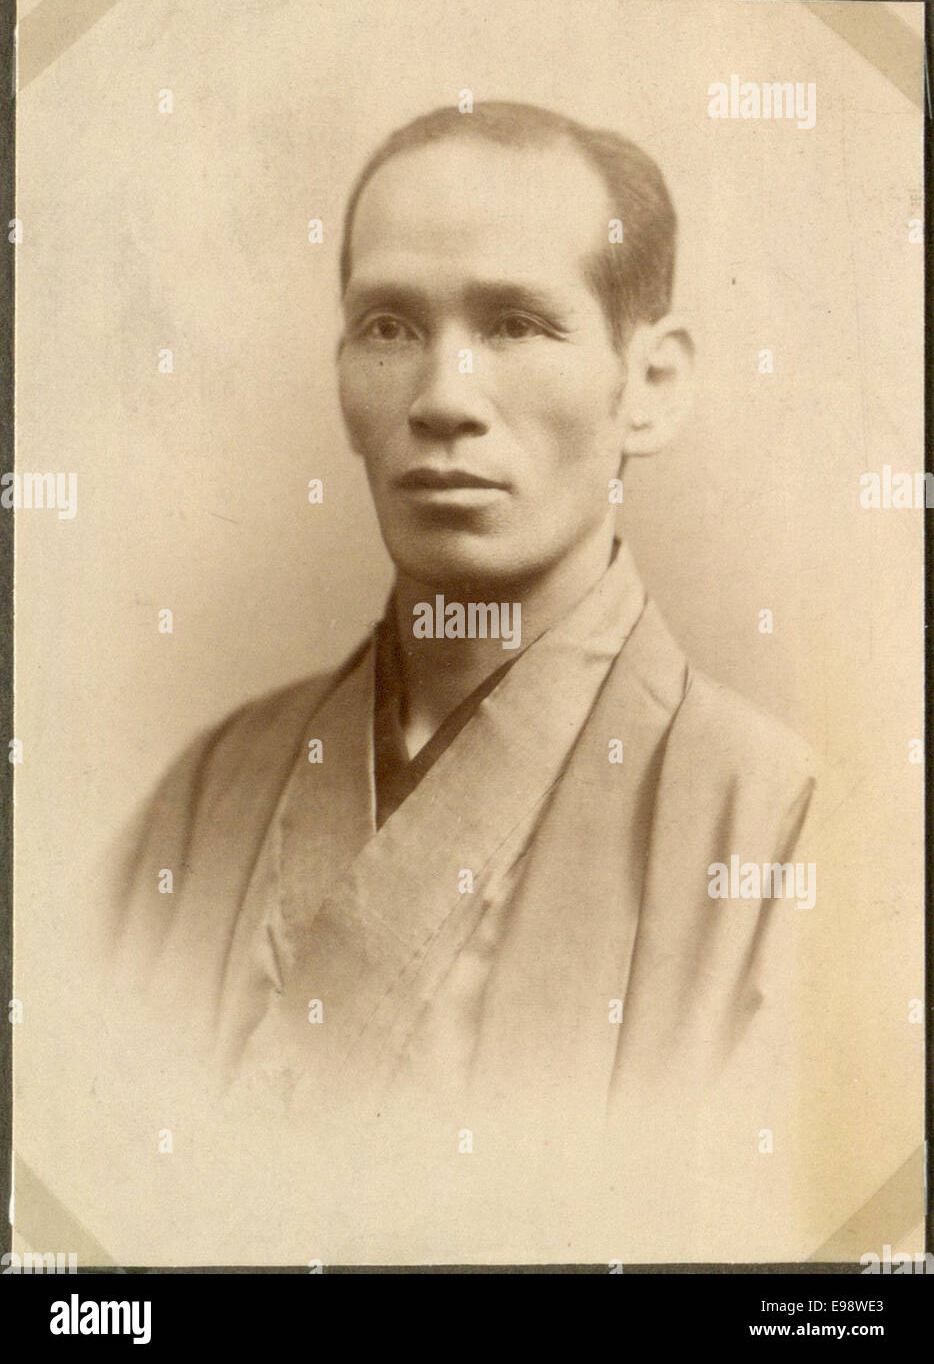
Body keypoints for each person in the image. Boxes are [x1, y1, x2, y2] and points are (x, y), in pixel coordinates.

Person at [110, 106, 824, 1243]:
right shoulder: (207, 796)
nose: (441, 397)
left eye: (516, 324)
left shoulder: (776, 825)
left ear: (650, 383)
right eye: (389, 325)